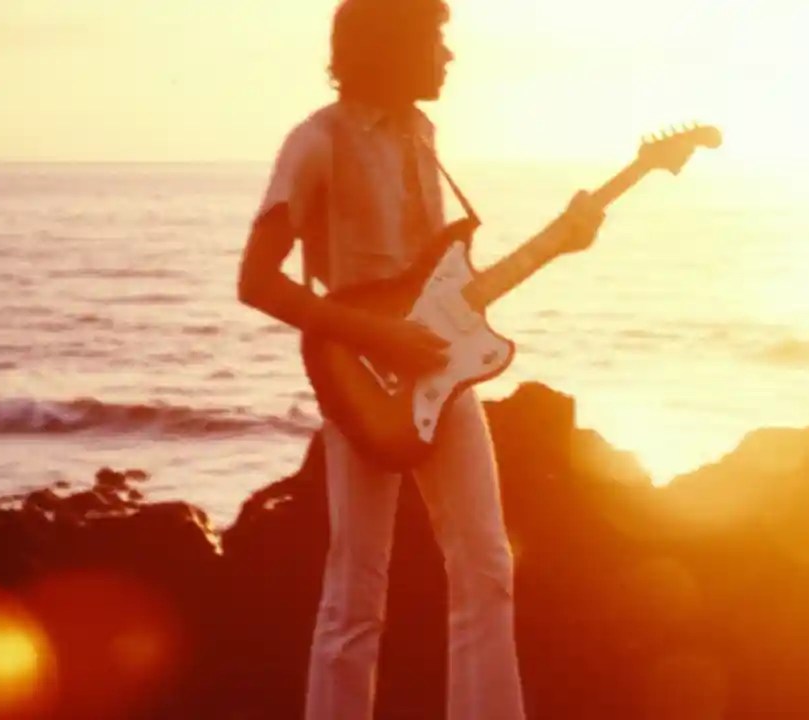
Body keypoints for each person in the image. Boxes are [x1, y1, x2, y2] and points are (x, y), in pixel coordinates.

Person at [237, 0, 604, 717]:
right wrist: (376, 337)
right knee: (356, 589)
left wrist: (562, 240)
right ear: (395, 43)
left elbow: (439, 285)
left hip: (441, 375)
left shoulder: (422, 135)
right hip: (362, 380)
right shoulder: (317, 141)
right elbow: (256, 280)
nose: (449, 56)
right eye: (438, 39)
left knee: (487, 568)